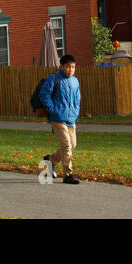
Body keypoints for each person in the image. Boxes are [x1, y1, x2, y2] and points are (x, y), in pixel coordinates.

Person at [39, 53, 81, 184]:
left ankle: (50, 160)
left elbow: (77, 98)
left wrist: (75, 111)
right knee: (66, 145)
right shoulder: (54, 78)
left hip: (71, 118)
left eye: (73, 67)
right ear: (61, 66)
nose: (71, 70)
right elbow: (44, 95)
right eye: (68, 67)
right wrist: (53, 111)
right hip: (58, 118)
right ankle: (68, 175)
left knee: (72, 145)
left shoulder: (75, 81)